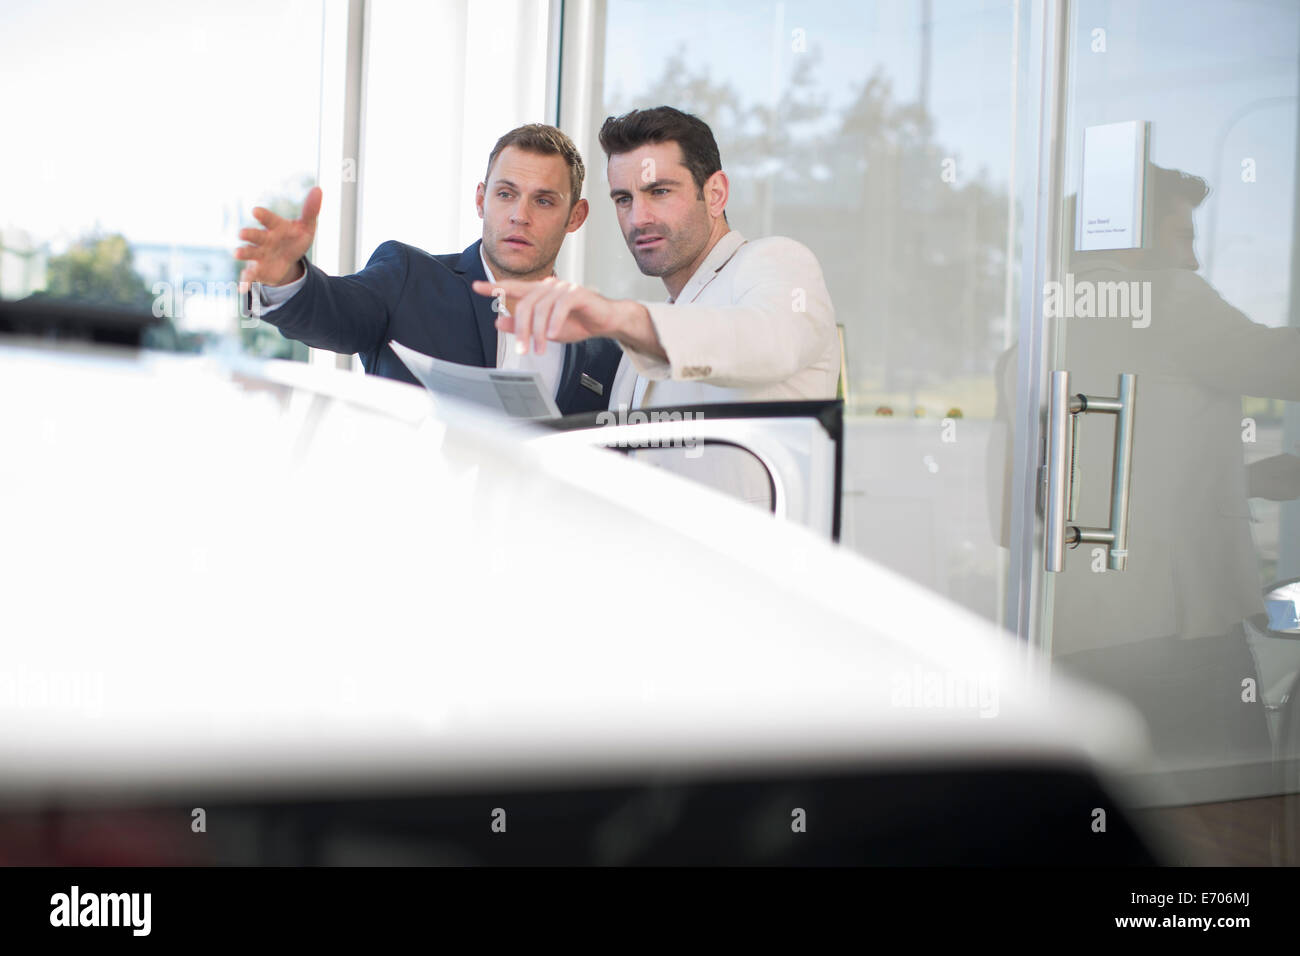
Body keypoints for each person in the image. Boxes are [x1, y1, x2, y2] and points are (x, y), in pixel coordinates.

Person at [233, 124, 622, 416]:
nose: (520, 216)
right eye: (506, 194)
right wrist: (286, 279)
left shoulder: (603, 347)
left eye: (544, 201)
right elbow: (333, 311)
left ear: (576, 216)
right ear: (481, 200)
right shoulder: (409, 279)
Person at [473, 107, 840, 409]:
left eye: (660, 191)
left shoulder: (778, 261)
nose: (638, 218)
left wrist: (619, 317)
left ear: (715, 194)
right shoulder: (638, 349)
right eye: (624, 199)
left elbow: (769, 342)